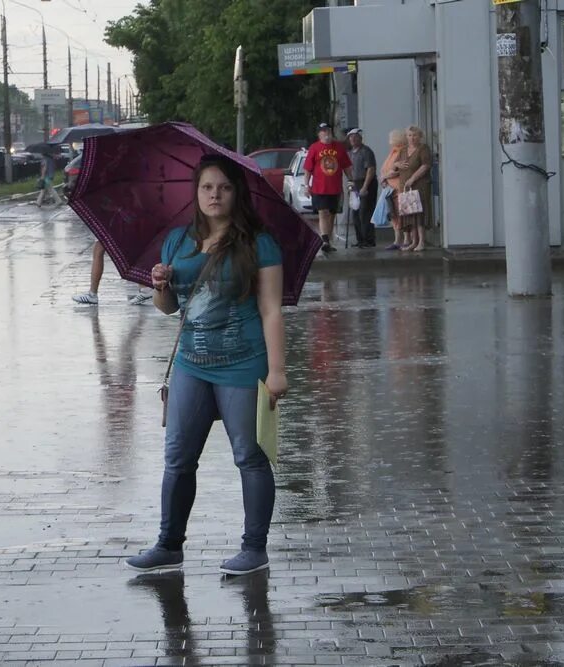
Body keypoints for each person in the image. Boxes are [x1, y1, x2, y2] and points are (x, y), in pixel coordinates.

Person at [124, 154, 286, 576]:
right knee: (178, 459)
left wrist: (277, 370)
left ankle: (254, 548)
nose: (215, 195)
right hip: (190, 366)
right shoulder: (177, 242)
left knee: (250, 457)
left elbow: (271, 310)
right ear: (196, 194)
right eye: (207, 188)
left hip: (242, 366)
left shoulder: (259, 243)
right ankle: (169, 544)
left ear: (237, 194)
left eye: (225, 188)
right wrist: (159, 285)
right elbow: (168, 309)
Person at [302, 122, 353, 255]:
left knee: (332, 214)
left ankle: (328, 240)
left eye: (328, 131)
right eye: (323, 131)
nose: (326, 133)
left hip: (335, 188)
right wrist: (306, 186)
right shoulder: (314, 148)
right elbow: (307, 169)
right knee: (323, 213)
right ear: (319, 134)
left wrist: (351, 181)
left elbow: (346, 166)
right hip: (319, 188)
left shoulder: (339, 148)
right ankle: (324, 240)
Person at [72, 240, 153, 305]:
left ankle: (92, 294)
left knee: (99, 249)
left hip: (112, 222)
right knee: (131, 248)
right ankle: (144, 288)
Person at [395, 125, 433, 252]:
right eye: (409, 135)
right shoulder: (403, 150)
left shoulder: (423, 148)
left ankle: (421, 241)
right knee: (410, 213)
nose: (412, 138)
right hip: (405, 187)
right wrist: (397, 164)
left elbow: (425, 165)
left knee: (419, 213)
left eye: (415, 135)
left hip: (419, 185)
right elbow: (395, 164)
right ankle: (413, 241)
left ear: (420, 136)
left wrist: (413, 178)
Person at [346, 128, 377, 248]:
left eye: (355, 136)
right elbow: (348, 170)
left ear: (360, 138)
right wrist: (350, 183)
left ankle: (368, 240)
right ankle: (360, 239)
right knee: (355, 212)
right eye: (350, 137)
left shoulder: (366, 151)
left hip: (366, 182)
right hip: (354, 183)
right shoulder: (349, 153)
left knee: (365, 212)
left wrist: (365, 187)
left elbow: (370, 169)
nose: (353, 139)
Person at [379, 129, 409, 250]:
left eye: (391, 138)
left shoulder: (402, 152)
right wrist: (384, 177)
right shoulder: (393, 152)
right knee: (393, 215)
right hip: (390, 189)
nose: (389, 141)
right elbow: (386, 169)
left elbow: (396, 171)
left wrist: (384, 176)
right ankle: (397, 240)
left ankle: (406, 239)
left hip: (399, 188)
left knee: (403, 214)